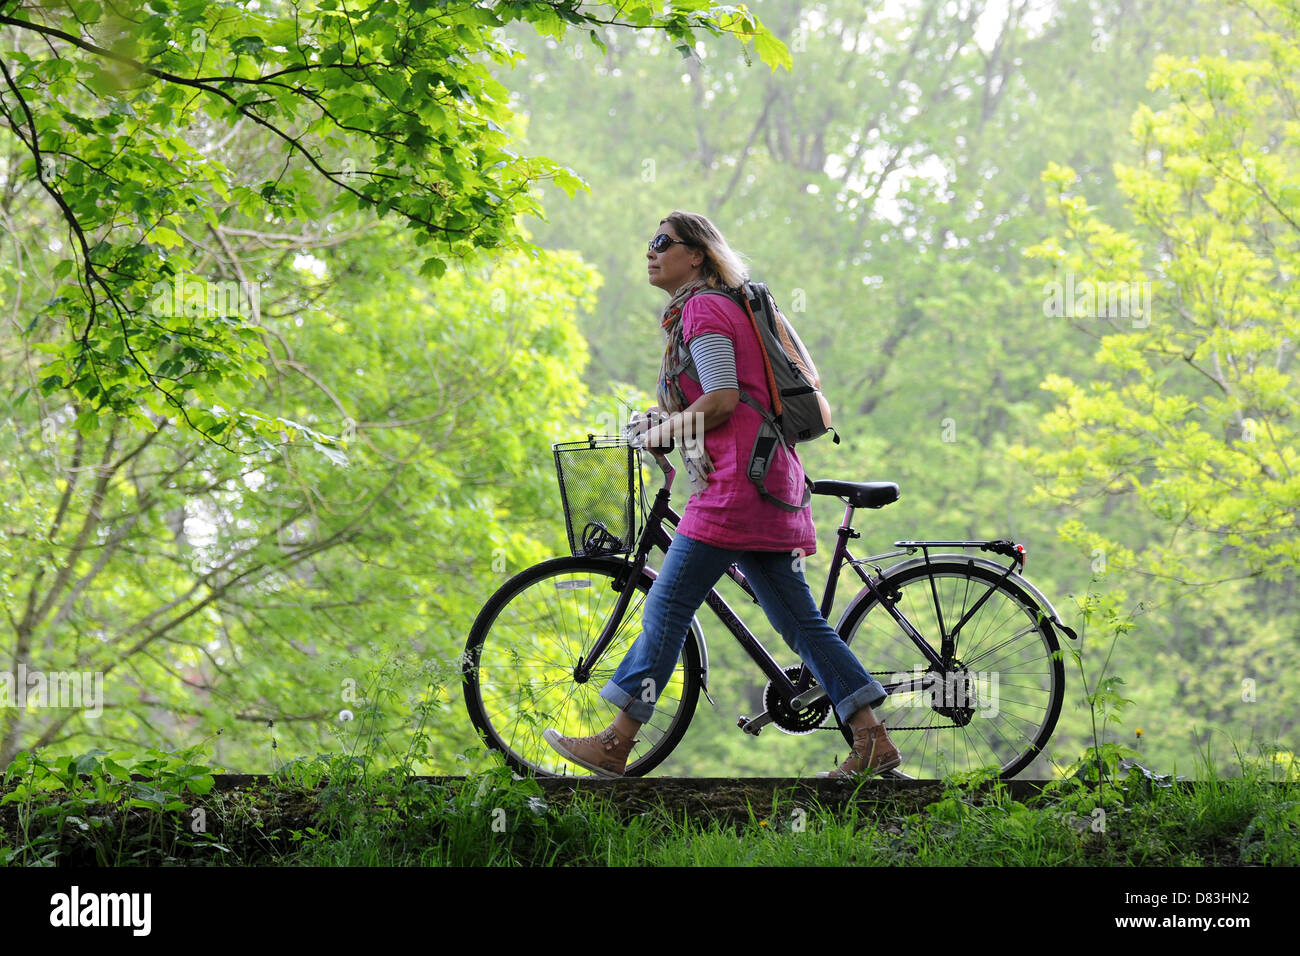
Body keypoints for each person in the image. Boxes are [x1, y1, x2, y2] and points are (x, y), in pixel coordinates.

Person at [543, 210, 901, 778]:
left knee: (665, 606)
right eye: (650, 242)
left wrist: (664, 432)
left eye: (663, 242)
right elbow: (713, 401)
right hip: (765, 481)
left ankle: (615, 743)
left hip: (736, 487)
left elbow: (721, 401)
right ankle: (871, 737)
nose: (651, 252)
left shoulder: (706, 308)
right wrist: (655, 422)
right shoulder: (708, 308)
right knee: (798, 622)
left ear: (698, 255)